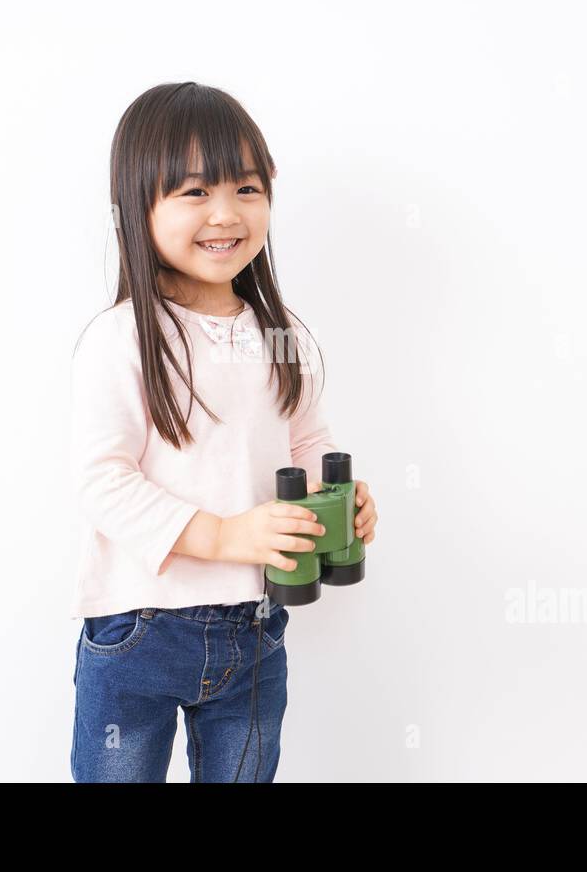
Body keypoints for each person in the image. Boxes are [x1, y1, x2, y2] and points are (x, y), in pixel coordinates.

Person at [68, 81, 378, 782]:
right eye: (194, 192)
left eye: (246, 188)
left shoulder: (282, 334)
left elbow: (305, 444)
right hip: (139, 628)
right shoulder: (121, 339)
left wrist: (345, 498)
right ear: (136, 206)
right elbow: (102, 481)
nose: (226, 213)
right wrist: (223, 534)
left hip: (256, 625)